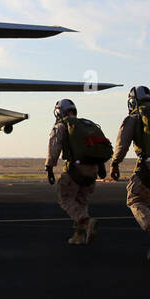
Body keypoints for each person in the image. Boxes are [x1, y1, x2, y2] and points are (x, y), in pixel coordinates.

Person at [110, 86, 150, 262]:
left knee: (134, 198)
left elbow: (122, 144)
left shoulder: (135, 117)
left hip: (149, 165)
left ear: (132, 101)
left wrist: (115, 163)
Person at [45, 99, 111, 244]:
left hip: (75, 170)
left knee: (65, 198)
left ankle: (87, 222)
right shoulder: (87, 126)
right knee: (81, 202)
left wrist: (49, 167)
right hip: (92, 171)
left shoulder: (61, 126)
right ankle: (78, 235)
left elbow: (54, 146)